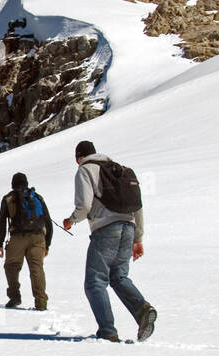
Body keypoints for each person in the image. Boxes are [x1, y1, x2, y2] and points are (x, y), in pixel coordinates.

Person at [62, 140, 157, 342]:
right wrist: (138, 238)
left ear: (79, 158)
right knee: (119, 277)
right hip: (129, 227)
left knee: (95, 282)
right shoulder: (119, 170)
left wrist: (71, 220)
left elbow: (85, 205)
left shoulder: (85, 169)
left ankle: (107, 332)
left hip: (106, 228)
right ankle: (142, 310)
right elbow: (137, 205)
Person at [0, 172, 53, 309]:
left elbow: (1, 222)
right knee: (36, 269)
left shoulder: (9, 198)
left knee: (11, 266)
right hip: (38, 238)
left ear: (13, 184)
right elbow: (48, 222)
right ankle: (41, 303)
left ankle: (15, 296)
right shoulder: (37, 197)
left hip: (17, 238)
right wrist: (47, 244)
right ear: (26, 183)